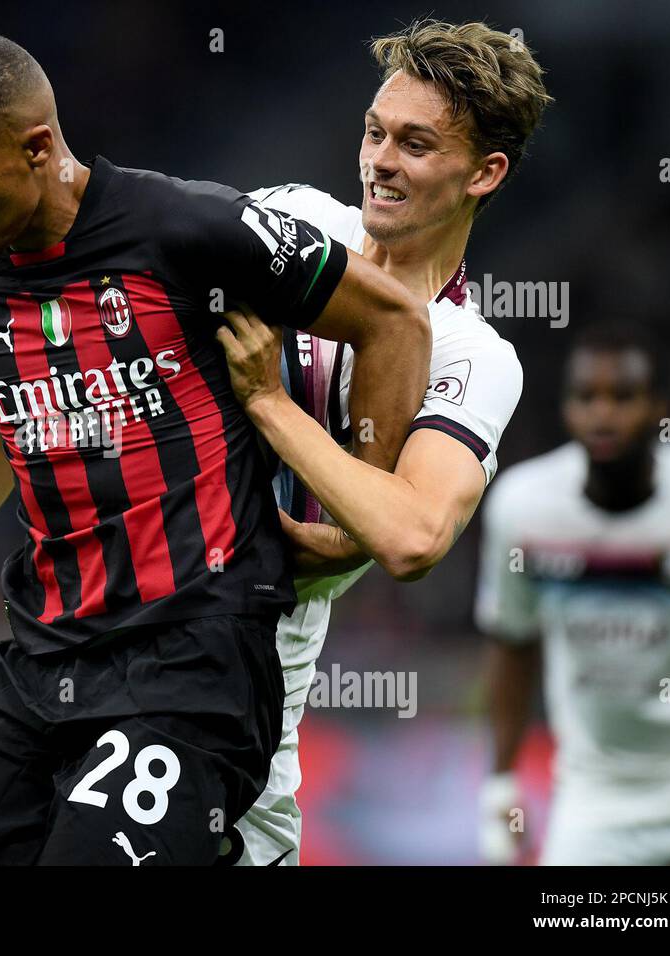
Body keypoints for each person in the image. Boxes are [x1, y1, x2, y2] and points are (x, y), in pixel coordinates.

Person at [0, 33, 430, 865]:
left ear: (38, 149)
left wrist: (354, 515)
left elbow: (393, 320)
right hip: (42, 651)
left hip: (189, 665)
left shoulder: (188, 228)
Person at [214, 19, 549, 865]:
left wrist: (269, 404)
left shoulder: (475, 356)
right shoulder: (291, 220)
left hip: (255, 685)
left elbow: (408, 536)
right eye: (373, 132)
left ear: (486, 172)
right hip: (127, 616)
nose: (379, 161)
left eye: (415, 144)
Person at [477, 326, 670, 865]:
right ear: (566, 408)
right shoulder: (524, 510)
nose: (602, 415)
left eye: (624, 397)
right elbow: (512, 644)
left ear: (659, 407)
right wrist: (501, 783)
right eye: (586, 398)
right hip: (596, 795)